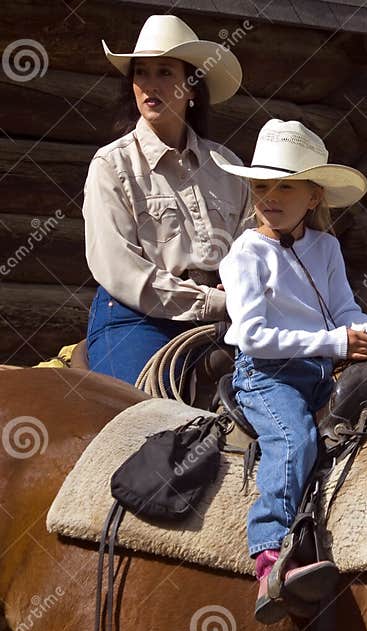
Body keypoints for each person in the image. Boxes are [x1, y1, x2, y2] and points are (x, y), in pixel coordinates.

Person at [215, 119, 367, 623]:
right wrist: (337, 341)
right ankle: (269, 555)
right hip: (265, 377)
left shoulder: (326, 248)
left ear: (314, 195)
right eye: (261, 186)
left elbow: (343, 309)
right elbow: (251, 335)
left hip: (319, 375)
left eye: (285, 186)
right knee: (295, 440)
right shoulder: (245, 255)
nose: (270, 197)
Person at [83, 15, 249, 386]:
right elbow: (119, 267)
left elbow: (254, 248)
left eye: (164, 72)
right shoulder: (112, 164)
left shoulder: (229, 168)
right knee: (150, 424)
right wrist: (210, 302)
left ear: (192, 88)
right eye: (141, 73)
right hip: (136, 320)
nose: (149, 85)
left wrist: (241, 289)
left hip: (228, 318)